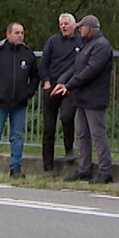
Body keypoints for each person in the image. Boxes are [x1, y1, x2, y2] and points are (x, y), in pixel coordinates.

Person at [54, 15, 116, 184]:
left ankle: (105, 171)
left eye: (82, 27)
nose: (80, 30)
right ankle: (84, 168)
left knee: (98, 134)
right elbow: (76, 67)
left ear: (89, 28)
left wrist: (70, 85)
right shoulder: (86, 45)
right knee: (83, 134)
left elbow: (91, 70)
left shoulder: (101, 46)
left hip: (94, 97)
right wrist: (63, 80)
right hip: (82, 96)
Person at [0, 22, 40, 179]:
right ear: (8, 34)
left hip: (19, 103)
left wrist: (28, 92)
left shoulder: (27, 53)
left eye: (22, 32)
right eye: (16, 32)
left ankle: (16, 168)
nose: (20, 35)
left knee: (17, 136)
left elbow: (35, 76)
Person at [37, 13, 81, 173]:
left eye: (66, 24)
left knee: (67, 116)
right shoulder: (53, 41)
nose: (63, 26)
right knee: (48, 127)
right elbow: (43, 64)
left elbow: (80, 66)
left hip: (69, 88)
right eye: (61, 24)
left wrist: (68, 85)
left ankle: (69, 148)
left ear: (74, 25)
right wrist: (46, 82)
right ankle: (47, 166)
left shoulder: (80, 42)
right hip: (51, 86)